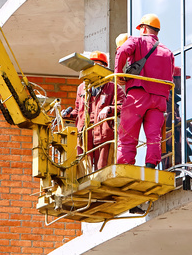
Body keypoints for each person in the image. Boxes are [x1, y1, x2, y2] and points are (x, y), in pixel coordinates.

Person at [114, 14, 174, 169]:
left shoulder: (137, 41)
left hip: (139, 94)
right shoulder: (168, 52)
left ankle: (125, 166)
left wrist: (118, 74)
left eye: (140, 28)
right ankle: (151, 165)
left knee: (128, 134)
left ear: (144, 28)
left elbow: (121, 52)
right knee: (154, 135)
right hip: (159, 100)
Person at [74, 51, 125, 171]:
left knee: (103, 168)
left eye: (98, 65)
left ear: (104, 68)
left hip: (103, 134)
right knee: (83, 170)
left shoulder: (113, 87)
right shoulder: (82, 88)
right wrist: (67, 115)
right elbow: (78, 110)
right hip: (84, 134)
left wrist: (110, 109)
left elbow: (125, 106)